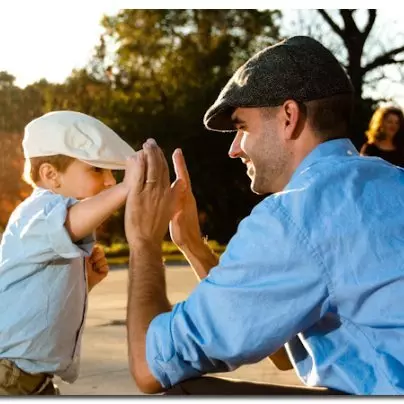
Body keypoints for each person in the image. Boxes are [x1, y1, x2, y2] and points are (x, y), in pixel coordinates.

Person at [125, 36, 404, 395]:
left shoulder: (297, 215)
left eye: (242, 127)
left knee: (182, 392)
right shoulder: (390, 180)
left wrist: (144, 240)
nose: (234, 149)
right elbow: (283, 354)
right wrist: (193, 246)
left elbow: (149, 365)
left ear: (289, 117)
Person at [0, 111, 138, 395]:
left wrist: (85, 282)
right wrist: (127, 187)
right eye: (97, 170)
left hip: (32, 381)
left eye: (113, 174)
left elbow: (42, 301)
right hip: (10, 378)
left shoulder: (53, 219)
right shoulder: (37, 211)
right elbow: (72, 221)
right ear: (51, 175)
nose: (110, 181)